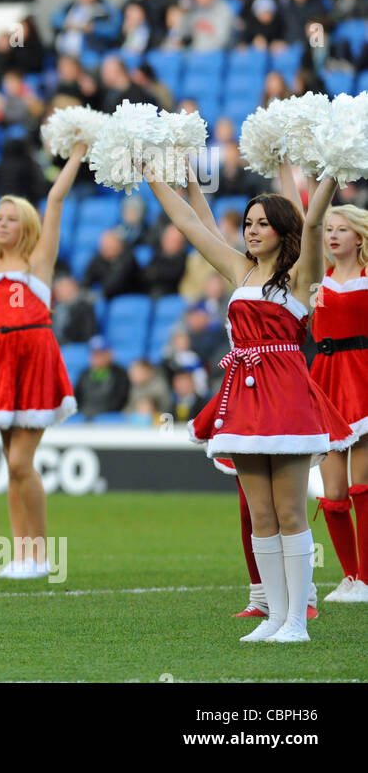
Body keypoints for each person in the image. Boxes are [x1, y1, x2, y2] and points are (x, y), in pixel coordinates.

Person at [147, 173, 346, 642]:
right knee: (261, 515)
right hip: (245, 399)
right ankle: (275, 616)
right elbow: (192, 225)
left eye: (262, 224)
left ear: (281, 229)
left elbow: (314, 221)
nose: (252, 230)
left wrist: (334, 169)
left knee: (290, 512)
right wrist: (151, 173)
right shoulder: (241, 271)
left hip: (288, 398)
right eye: (249, 223)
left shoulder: (300, 277)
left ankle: (298, 619)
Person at [0, 144, 87, 579]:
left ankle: (42, 554)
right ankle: (22, 554)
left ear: (25, 224)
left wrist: (78, 152)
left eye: (10, 218)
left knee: (21, 462)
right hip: (1, 357)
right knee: (11, 463)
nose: (1, 224)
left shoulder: (37, 261)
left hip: (35, 355)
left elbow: (56, 199)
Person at [309, 202, 368, 603]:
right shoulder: (318, 278)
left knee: (361, 485)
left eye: (342, 229)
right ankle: (349, 576)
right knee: (332, 494)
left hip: (361, 377)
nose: (332, 236)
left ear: (360, 236)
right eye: (329, 229)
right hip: (325, 379)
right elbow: (306, 220)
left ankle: (365, 578)